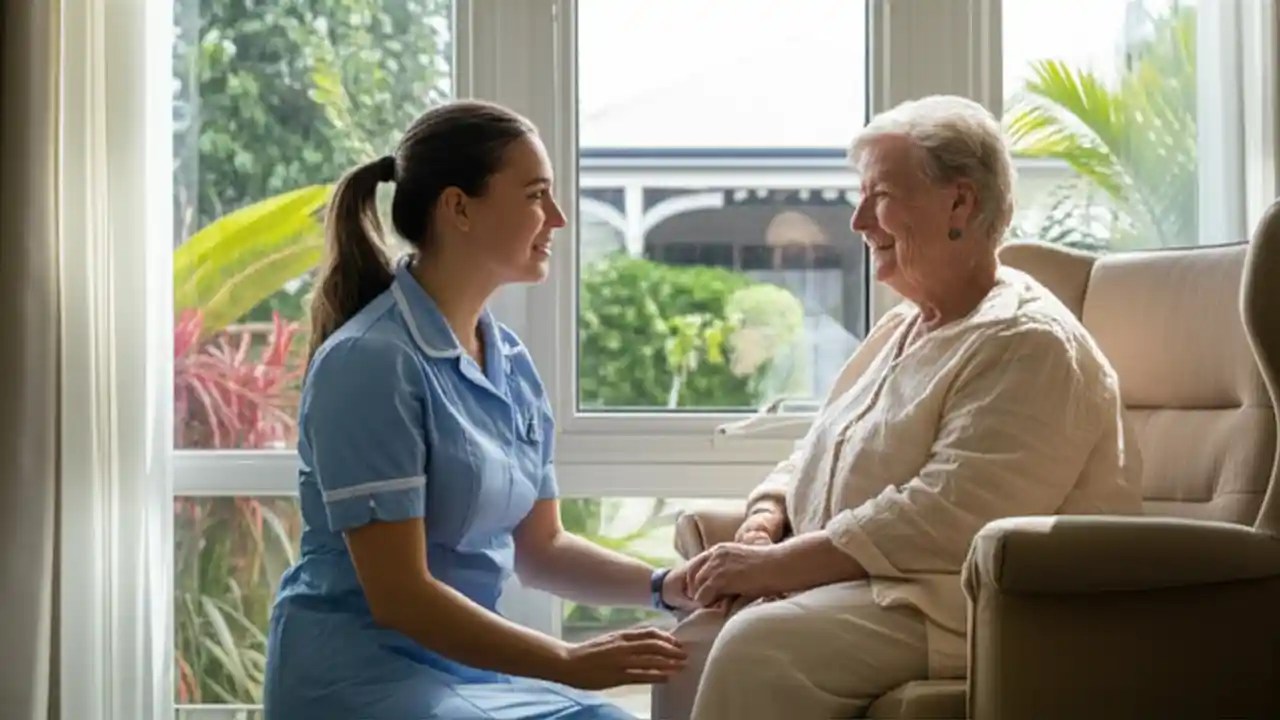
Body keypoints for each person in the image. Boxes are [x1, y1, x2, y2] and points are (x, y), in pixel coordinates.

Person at [653, 95, 1145, 720]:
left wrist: (777, 566)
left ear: (959, 203)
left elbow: (944, 515)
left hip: (960, 603)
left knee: (759, 647)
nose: (858, 220)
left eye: (880, 196)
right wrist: (766, 516)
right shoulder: (904, 327)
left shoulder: (1029, 342)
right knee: (690, 644)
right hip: (873, 587)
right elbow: (818, 447)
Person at [263, 100, 698, 720]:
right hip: (357, 681)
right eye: (536, 195)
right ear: (459, 208)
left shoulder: (509, 361)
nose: (558, 218)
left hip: (463, 676)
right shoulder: (369, 362)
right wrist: (568, 660)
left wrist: (663, 588)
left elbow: (542, 548)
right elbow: (400, 596)